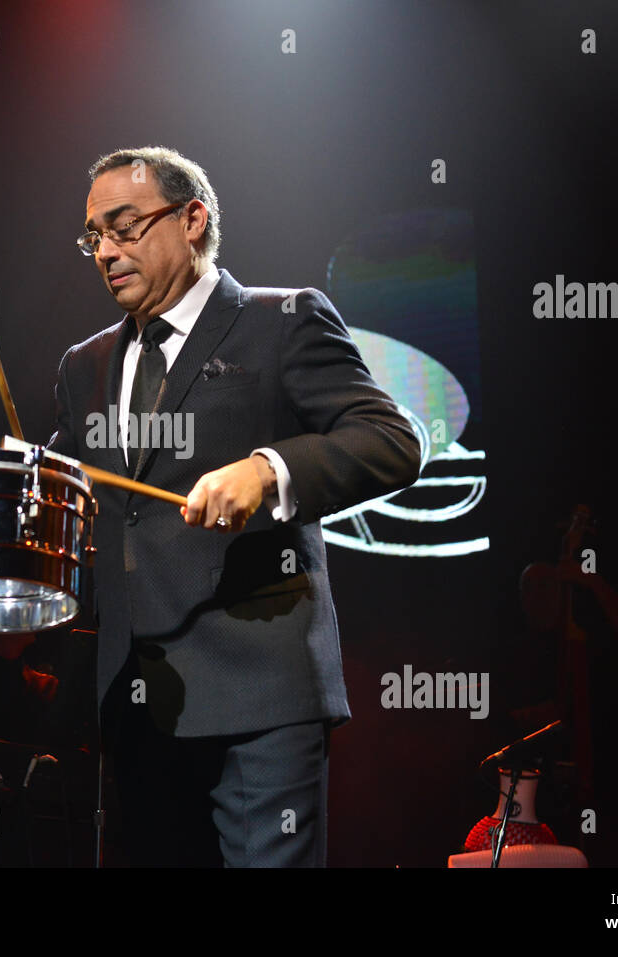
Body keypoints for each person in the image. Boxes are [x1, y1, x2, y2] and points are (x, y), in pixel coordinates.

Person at [47, 146, 421, 866]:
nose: (105, 251)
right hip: (138, 704)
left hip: (261, 699)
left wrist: (268, 468)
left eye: (124, 226)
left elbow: (391, 440)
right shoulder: (83, 365)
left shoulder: (281, 321)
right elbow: (69, 500)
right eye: (94, 235)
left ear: (193, 219)